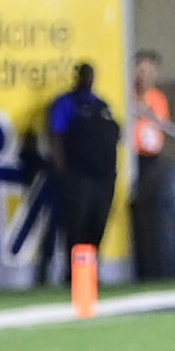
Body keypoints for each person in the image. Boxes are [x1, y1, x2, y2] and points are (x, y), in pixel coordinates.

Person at [46, 62, 121, 276]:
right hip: (78, 176)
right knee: (77, 225)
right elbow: (56, 136)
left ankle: (91, 270)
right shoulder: (66, 103)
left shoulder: (102, 105)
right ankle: (75, 274)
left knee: (98, 224)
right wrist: (63, 172)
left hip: (104, 177)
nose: (88, 79)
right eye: (85, 74)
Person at [130, 50, 168, 188]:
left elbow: (161, 121)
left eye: (150, 71)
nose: (146, 76)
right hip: (133, 154)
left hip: (151, 154)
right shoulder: (129, 95)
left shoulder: (158, 97)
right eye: (142, 71)